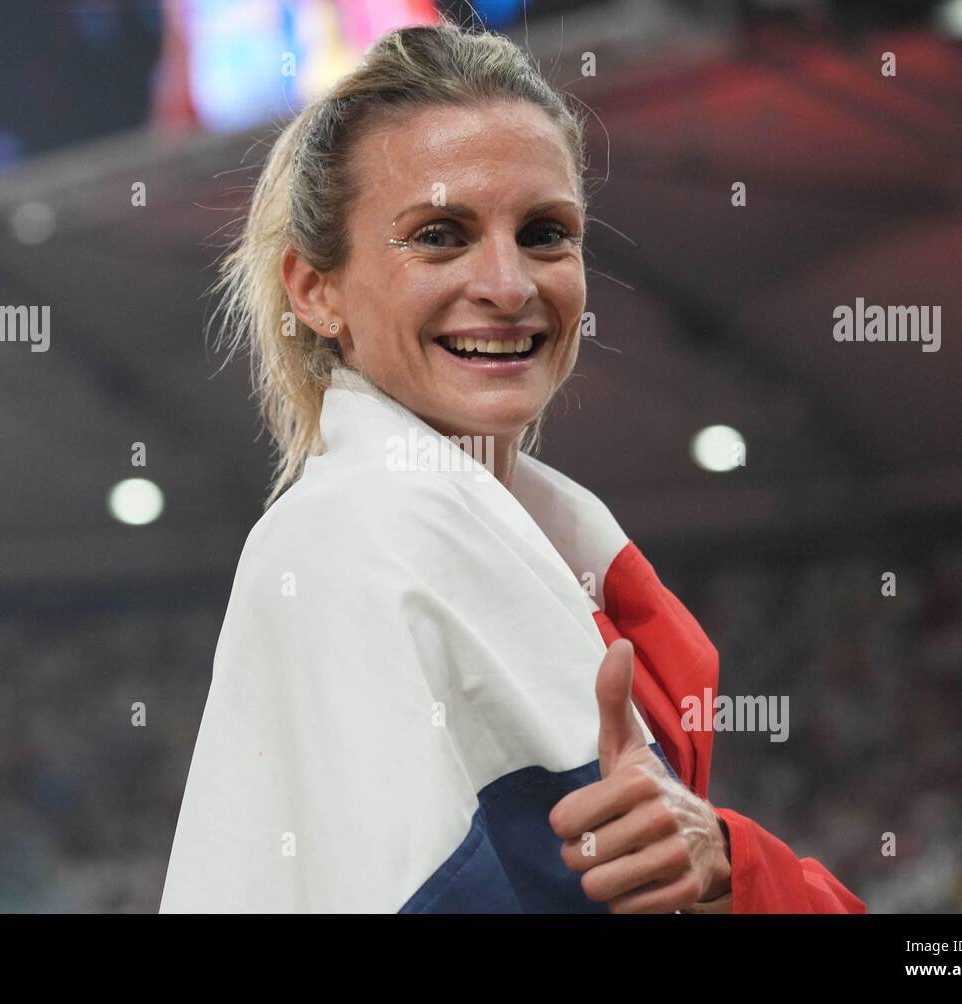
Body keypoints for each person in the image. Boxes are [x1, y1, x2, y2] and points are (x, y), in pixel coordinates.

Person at [160, 18, 865, 914]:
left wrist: (725, 868)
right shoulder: (352, 539)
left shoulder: (541, 545)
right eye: (440, 235)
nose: (508, 284)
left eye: (543, 233)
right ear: (317, 289)